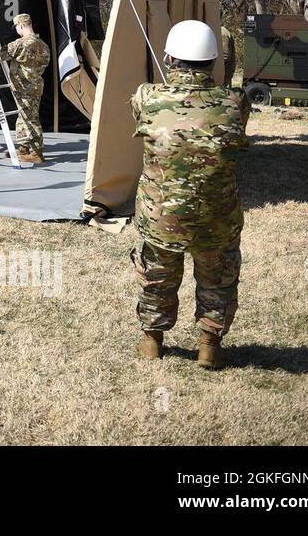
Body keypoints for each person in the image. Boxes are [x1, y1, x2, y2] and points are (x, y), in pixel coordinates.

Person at [131, 20, 250, 370]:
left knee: (157, 276)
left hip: (161, 217)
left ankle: (152, 341)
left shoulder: (146, 97)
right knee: (218, 280)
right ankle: (208, 346)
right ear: (214, 61)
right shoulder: (235, 101)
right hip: (217, 218)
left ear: (169, 58)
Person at [0, 13, 50, 164]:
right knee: (24, 116)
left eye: (17, 26)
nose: (16, 29)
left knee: (30, 119)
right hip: (36, 86)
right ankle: (23, 149)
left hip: (24, 87)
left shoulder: (21, 44)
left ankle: (37, 153)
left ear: (21, 25)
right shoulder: (43, 45)